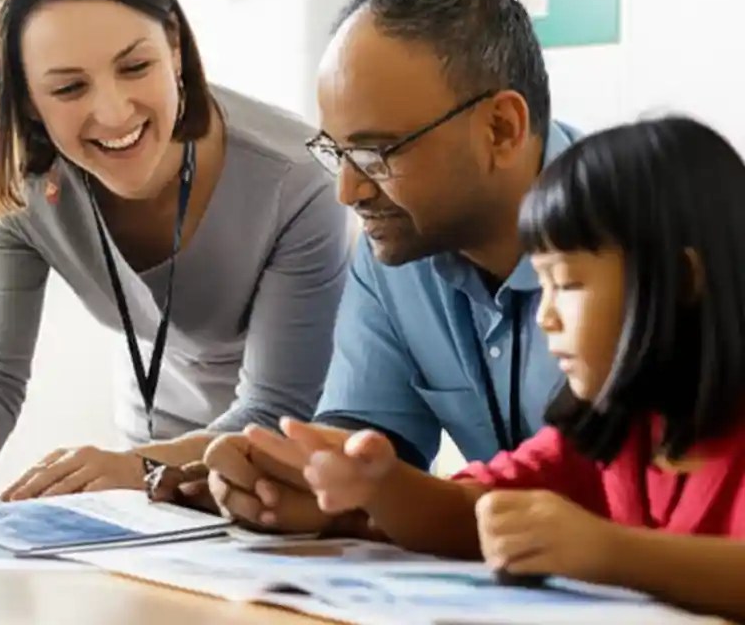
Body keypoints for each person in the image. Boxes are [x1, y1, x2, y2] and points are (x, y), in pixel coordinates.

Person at [263, 117, 745, 622]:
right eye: (543, 284)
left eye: (570, 283)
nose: (546, 315)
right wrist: (379, 485)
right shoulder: (610, 429)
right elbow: (473, 514)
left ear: (682, 280)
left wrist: (612, 553)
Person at [0, 0, 350, 499]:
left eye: (134, 67)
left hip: (286, 480)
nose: (114, 112)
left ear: (174, 46)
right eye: (69, 89)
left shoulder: (297, 178)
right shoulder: (18, 192)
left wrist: (138, 467)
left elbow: (277, 410)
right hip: (152, 478)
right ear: (27, 100)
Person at [203, 0, 581, 531]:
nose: (348, 190)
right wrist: (304, 480)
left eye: (378, 153)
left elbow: (604, 495)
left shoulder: (640, 242)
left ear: (501, 129)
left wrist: (387, 501)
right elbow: (372, 446)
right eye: (336, 153)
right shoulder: (398, 247)